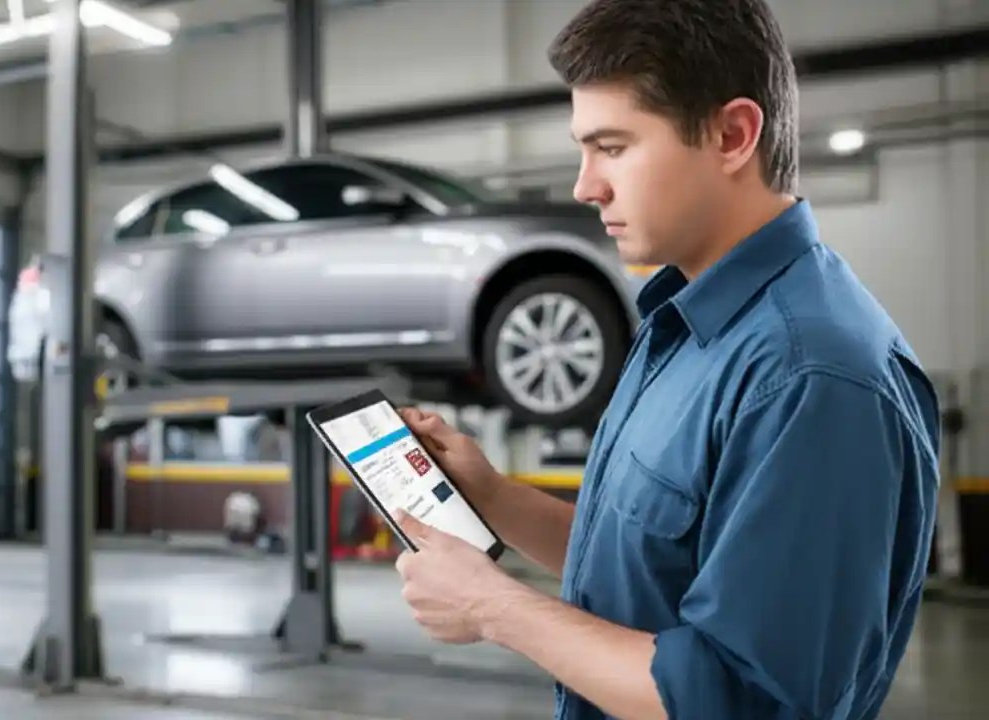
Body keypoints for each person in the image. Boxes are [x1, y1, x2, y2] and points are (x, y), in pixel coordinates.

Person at [391, 1, 941, 719]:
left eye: (612, 147)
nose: (586, 185)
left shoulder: (812, 378)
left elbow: (735, 697)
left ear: (732, 134)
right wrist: (492, 497)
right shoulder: (680, 323)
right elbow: (645, 571)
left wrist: (494, 608)